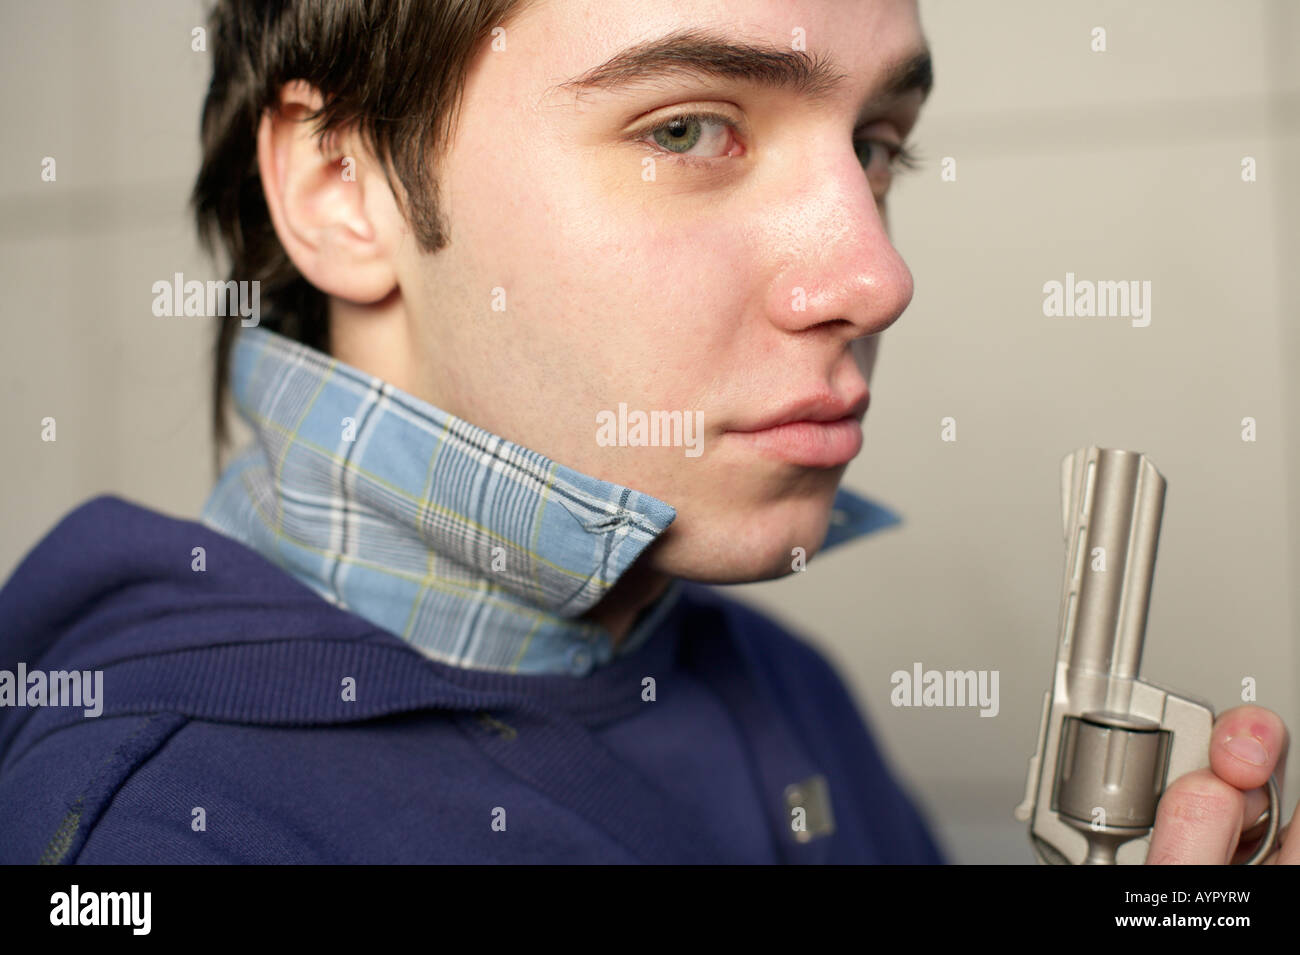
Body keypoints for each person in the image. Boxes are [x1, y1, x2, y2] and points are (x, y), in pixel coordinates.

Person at [0, 0, 1289, 865]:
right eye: (687, 128)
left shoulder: (779, 689)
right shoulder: (155, 828)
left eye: (878, 142)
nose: (876, 275)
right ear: (343, 189)